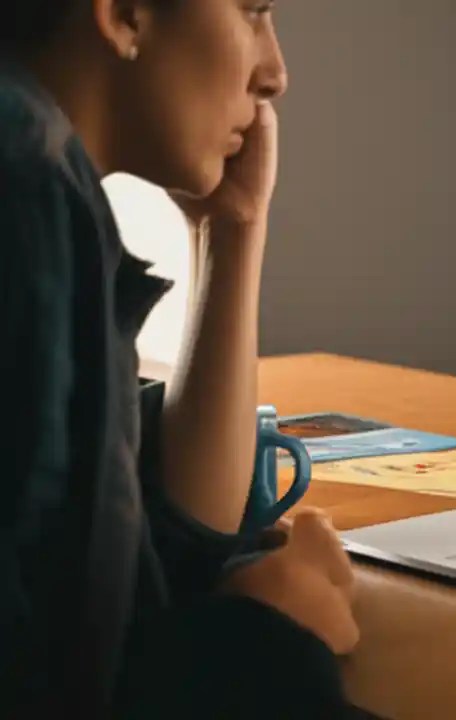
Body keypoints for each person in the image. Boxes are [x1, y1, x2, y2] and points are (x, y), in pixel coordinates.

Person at [0, 0, 363, 717]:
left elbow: (166, 540)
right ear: (126, 14)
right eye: (253, 10)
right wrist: (269, 636)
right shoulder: (26, 187)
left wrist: (231, 230)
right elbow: (48, 675)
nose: (276, 74)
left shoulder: (41, 169)